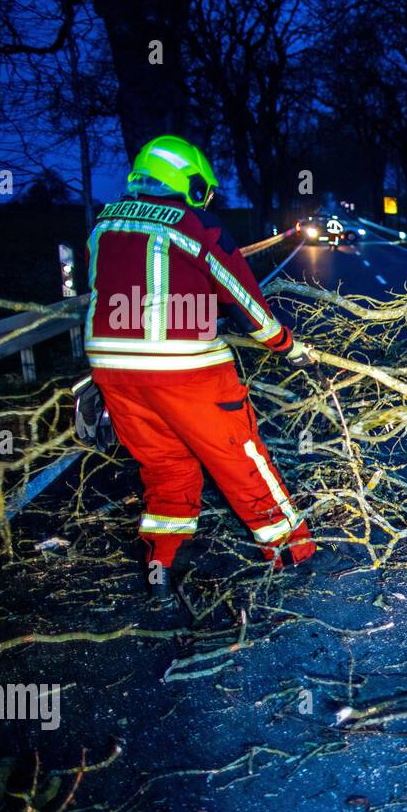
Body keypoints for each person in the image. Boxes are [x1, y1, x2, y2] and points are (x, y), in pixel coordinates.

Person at [82, 134, 319, 604]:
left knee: (164, 466)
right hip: (185, 371)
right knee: (241, 457)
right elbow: (242, 296)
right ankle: (293, 553)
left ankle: (160, 564)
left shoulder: (102, 224)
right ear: (188, 183)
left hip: (112, 371)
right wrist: (285, 345)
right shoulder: (196, 226)